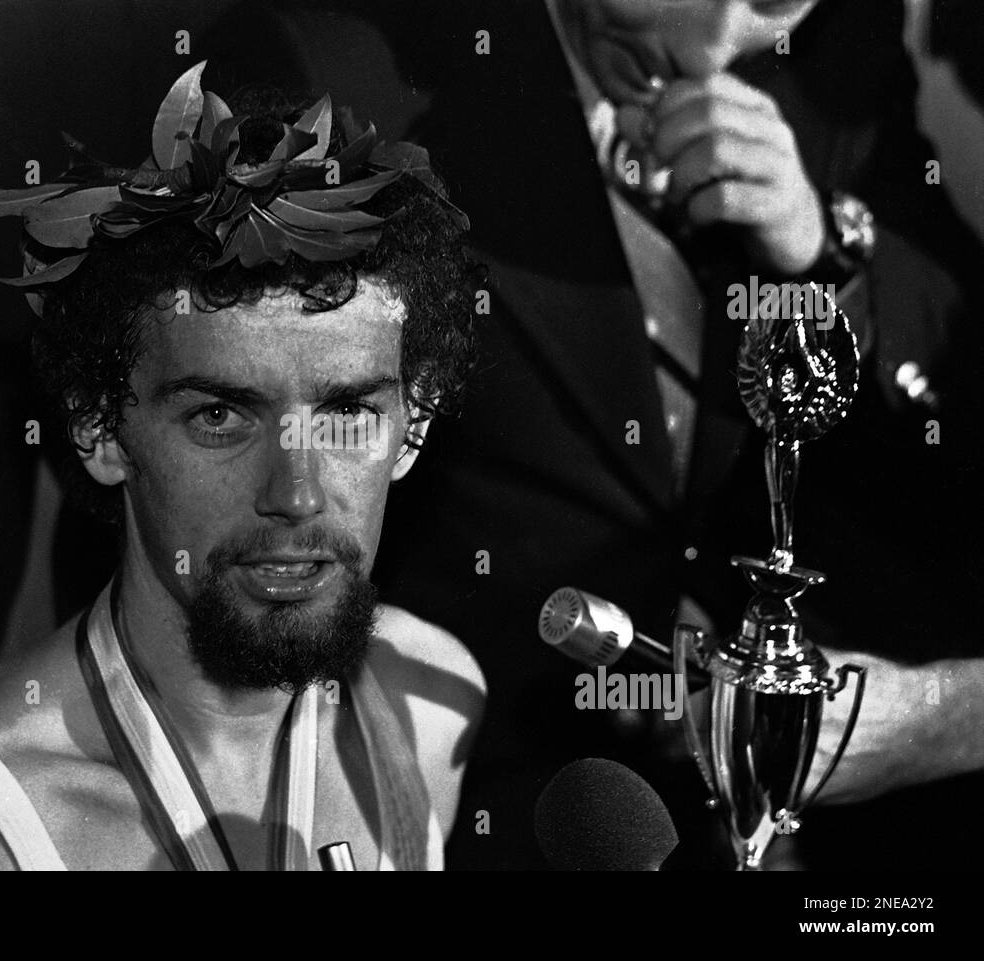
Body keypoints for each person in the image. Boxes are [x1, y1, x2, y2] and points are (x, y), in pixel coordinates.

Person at [356, 0, 984, 869]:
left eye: (774, 4)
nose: (717, 44)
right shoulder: (352, 60)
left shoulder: (841, 59)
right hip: (482, 785)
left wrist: (825, 249)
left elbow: (951, 416)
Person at [0, 67, 486, 871]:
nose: (298, 493)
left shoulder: (436, 706)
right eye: (220, 416)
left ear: (412, 426)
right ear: (101, 429)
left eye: (349, 414)